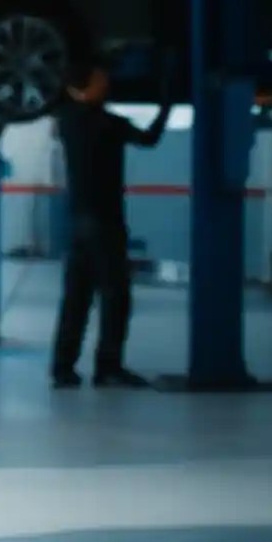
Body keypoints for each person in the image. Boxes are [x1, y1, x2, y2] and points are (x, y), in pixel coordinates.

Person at [51, 65, 172, 390]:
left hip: (77, 224)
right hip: (105, 224)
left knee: (76, 298)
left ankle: (63, 368)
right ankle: (108, 367)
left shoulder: (66, 120)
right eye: (101, 79)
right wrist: (165, 105)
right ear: (85, 87)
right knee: (115, 297)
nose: (108, 85)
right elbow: (150, 138)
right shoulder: (109, 123)